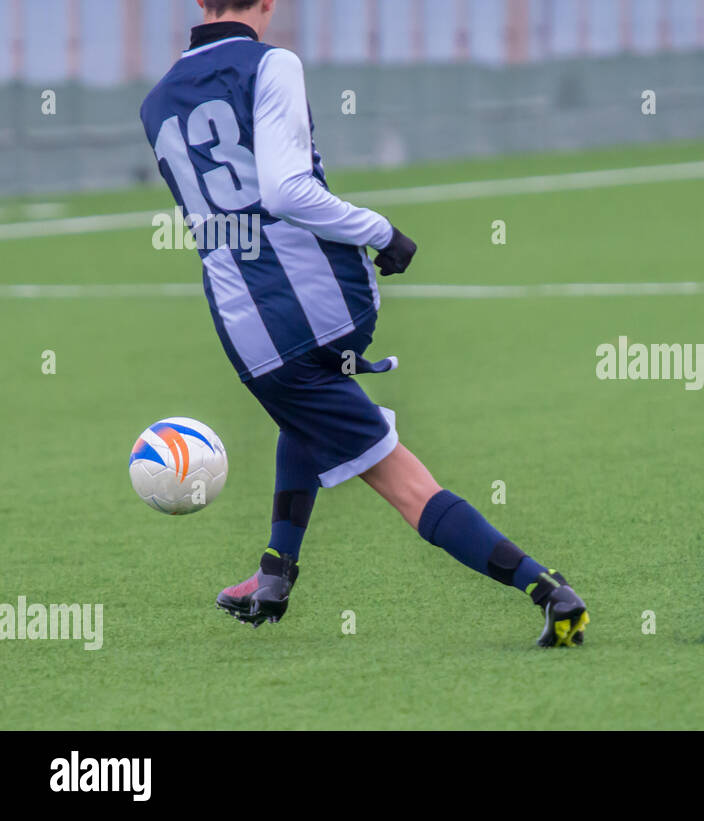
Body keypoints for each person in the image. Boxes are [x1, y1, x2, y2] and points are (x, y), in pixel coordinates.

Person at [140, 0, 588, 644]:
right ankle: (549, 593)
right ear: (267, 3)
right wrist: (382, 231)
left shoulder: (154, 103)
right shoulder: (271, 63)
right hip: (317, 301)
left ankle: (275, 572)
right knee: (406, 485)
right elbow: (287, 191)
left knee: (304, 402)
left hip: (245, 323)